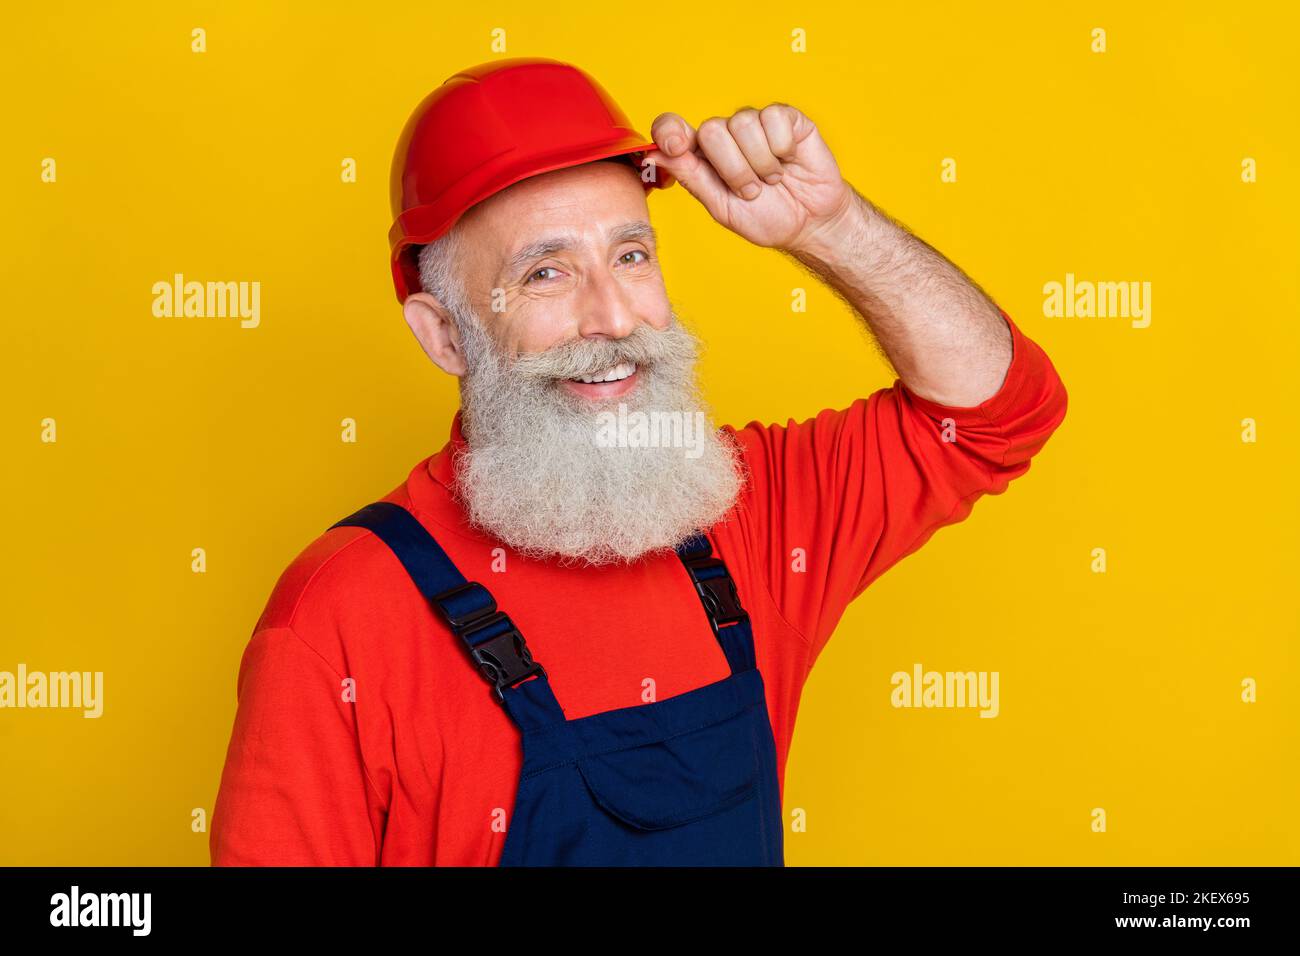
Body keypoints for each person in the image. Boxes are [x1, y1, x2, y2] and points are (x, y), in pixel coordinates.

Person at [210, 58, 1068, 866]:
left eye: (632, 256)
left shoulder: (749, 508)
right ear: (445, 335)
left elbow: (1001, 412)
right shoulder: (338, 622)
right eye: (546, 273)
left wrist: (830, 229)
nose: (614, 317)